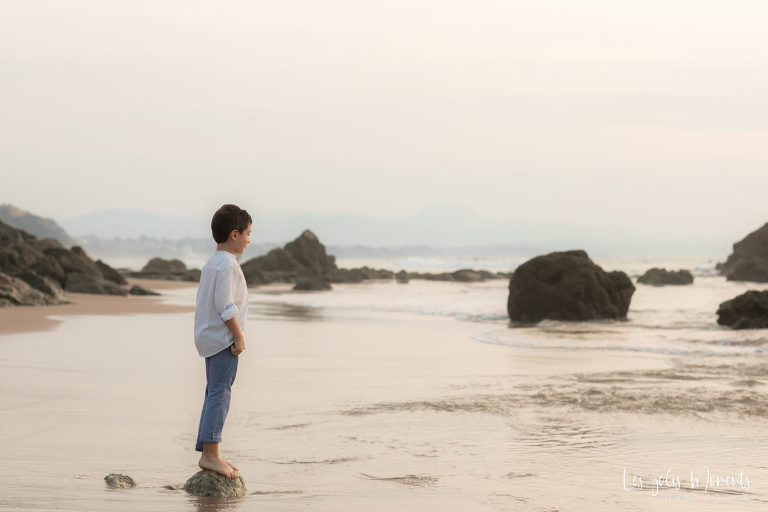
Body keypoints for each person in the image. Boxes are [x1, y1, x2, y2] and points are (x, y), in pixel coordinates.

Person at [193, 204, 252, 478]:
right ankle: (210, 455)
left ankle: (209, 452)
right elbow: (224, 305)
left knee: (213, 392)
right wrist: (238, 336)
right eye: (248, 234)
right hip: (223, 340)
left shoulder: (213, 262)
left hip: (210, 337)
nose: (249, 240)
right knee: (220, 394)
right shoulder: (227, 265)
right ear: (234, 235)